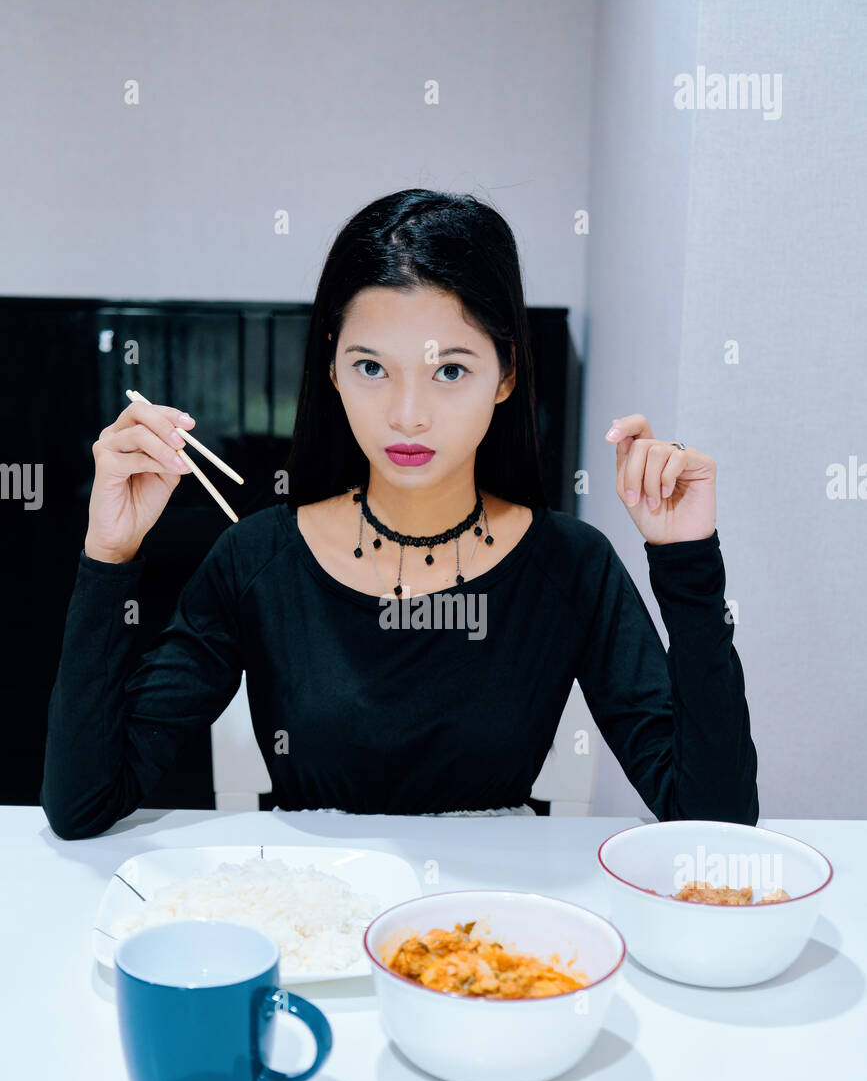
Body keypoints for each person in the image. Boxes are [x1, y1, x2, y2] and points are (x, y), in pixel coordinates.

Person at [40, 189, 759, 839]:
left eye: (449, 370)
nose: (406, 415)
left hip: (489, 951)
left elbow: (712, 821)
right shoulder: (256, 559)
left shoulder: (571, 564)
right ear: (331, 368)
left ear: (505, 373)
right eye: (371, 367)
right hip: (315, 928)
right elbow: (83, 806)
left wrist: (685, 561)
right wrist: (109, 552)